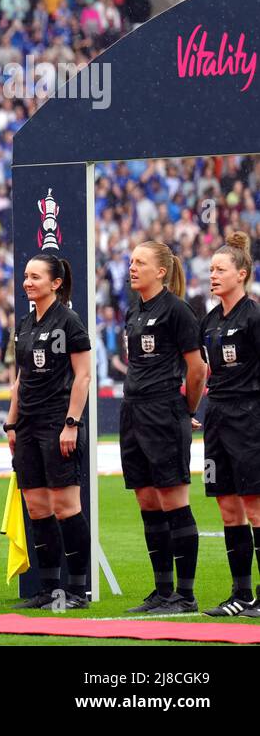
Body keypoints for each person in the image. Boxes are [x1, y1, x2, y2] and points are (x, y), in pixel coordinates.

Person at [121, 240, 207, 614]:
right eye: (130, 261)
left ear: (161, 271)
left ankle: (185, 597)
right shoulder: (133, 311)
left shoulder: (177, 311)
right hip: (134, 413)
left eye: (140, 262)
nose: (132, 267)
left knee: (173, 501)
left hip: (164, 413)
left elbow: (198, 369)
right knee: (147, 501)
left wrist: (182, 408)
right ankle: (162, 591)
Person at [4, 254, 93, 610]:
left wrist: (72, 423)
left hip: (58, 424)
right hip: (27, 425)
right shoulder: (25, 324)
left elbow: (83, 376)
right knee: (37, 508)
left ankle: (77, 590)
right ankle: (50, 588)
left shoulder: (69, 321)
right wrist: (12, 422)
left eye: (36, 277)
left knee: (65, 507)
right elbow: (20, 379)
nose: (28, 282)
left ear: (55, 283)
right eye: (26, 276)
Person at [197, 233, 260, 617]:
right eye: (211, 270)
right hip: (218, 418)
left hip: (250, 418)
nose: (213, 275)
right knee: (227, 509)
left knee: (255, 508)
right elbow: (208, 371)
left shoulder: (253, 316)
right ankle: (241, 594)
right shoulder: (209, 320)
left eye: (220, 270)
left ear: (242, 274)